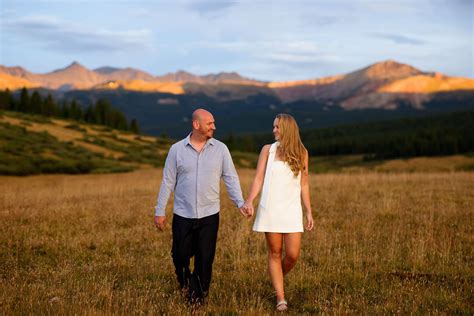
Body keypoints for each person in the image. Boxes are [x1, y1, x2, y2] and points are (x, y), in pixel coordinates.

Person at [154, 108, 250, 304]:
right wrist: (159, 211)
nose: (214, 126)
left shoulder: (221, 149)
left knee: (205, 258)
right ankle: (184, 281)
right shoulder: (177, 150)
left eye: (213, 123)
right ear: (196, 125)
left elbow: (230, 178)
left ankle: (197, 297)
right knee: (180, 255)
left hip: (209, 215)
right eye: (210, 123)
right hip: (183, 214)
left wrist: (240, 202)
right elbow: (167, 182)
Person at [243, 113, 314, 312]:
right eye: (273, 126)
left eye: (277, 127)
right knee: (274, 253)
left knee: (292, 255)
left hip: (291, 210)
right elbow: (258, 178)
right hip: (270, 209)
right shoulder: (267, 150)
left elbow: (304, 185)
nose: (273, 130)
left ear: (287, 129)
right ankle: (280, 297)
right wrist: (250, 200)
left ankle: (276, 279)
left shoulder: (302, 152)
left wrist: (308, 212)